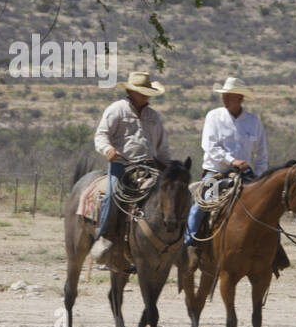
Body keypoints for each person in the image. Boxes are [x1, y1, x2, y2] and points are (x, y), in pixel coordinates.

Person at [91, 70, 172, 267]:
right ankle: (104, 237)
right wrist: (108, 149)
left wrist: (168, 169)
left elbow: (162, 148)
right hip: (122, 165)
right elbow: (101, 135)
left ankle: (164, 244)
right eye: (141, 91)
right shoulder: (116, 109)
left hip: (149, 167)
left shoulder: (153, 116)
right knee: (112, 194)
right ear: (131, 91)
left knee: (170, 198)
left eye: (147, 91)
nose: (145, 95)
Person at [185, 76, 267, 246]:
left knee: (266, 207)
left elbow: (261, 153)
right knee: (203, 204)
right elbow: (210, 146)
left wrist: (260, 178)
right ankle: (188, 241)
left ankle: (273, 251)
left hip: (245, 175)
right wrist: (232, 161)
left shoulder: (253, 121)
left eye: (229, 96)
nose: (224, 99)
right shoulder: (213, 116)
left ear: (240, 98)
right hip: (216, 173)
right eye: (224, 95)